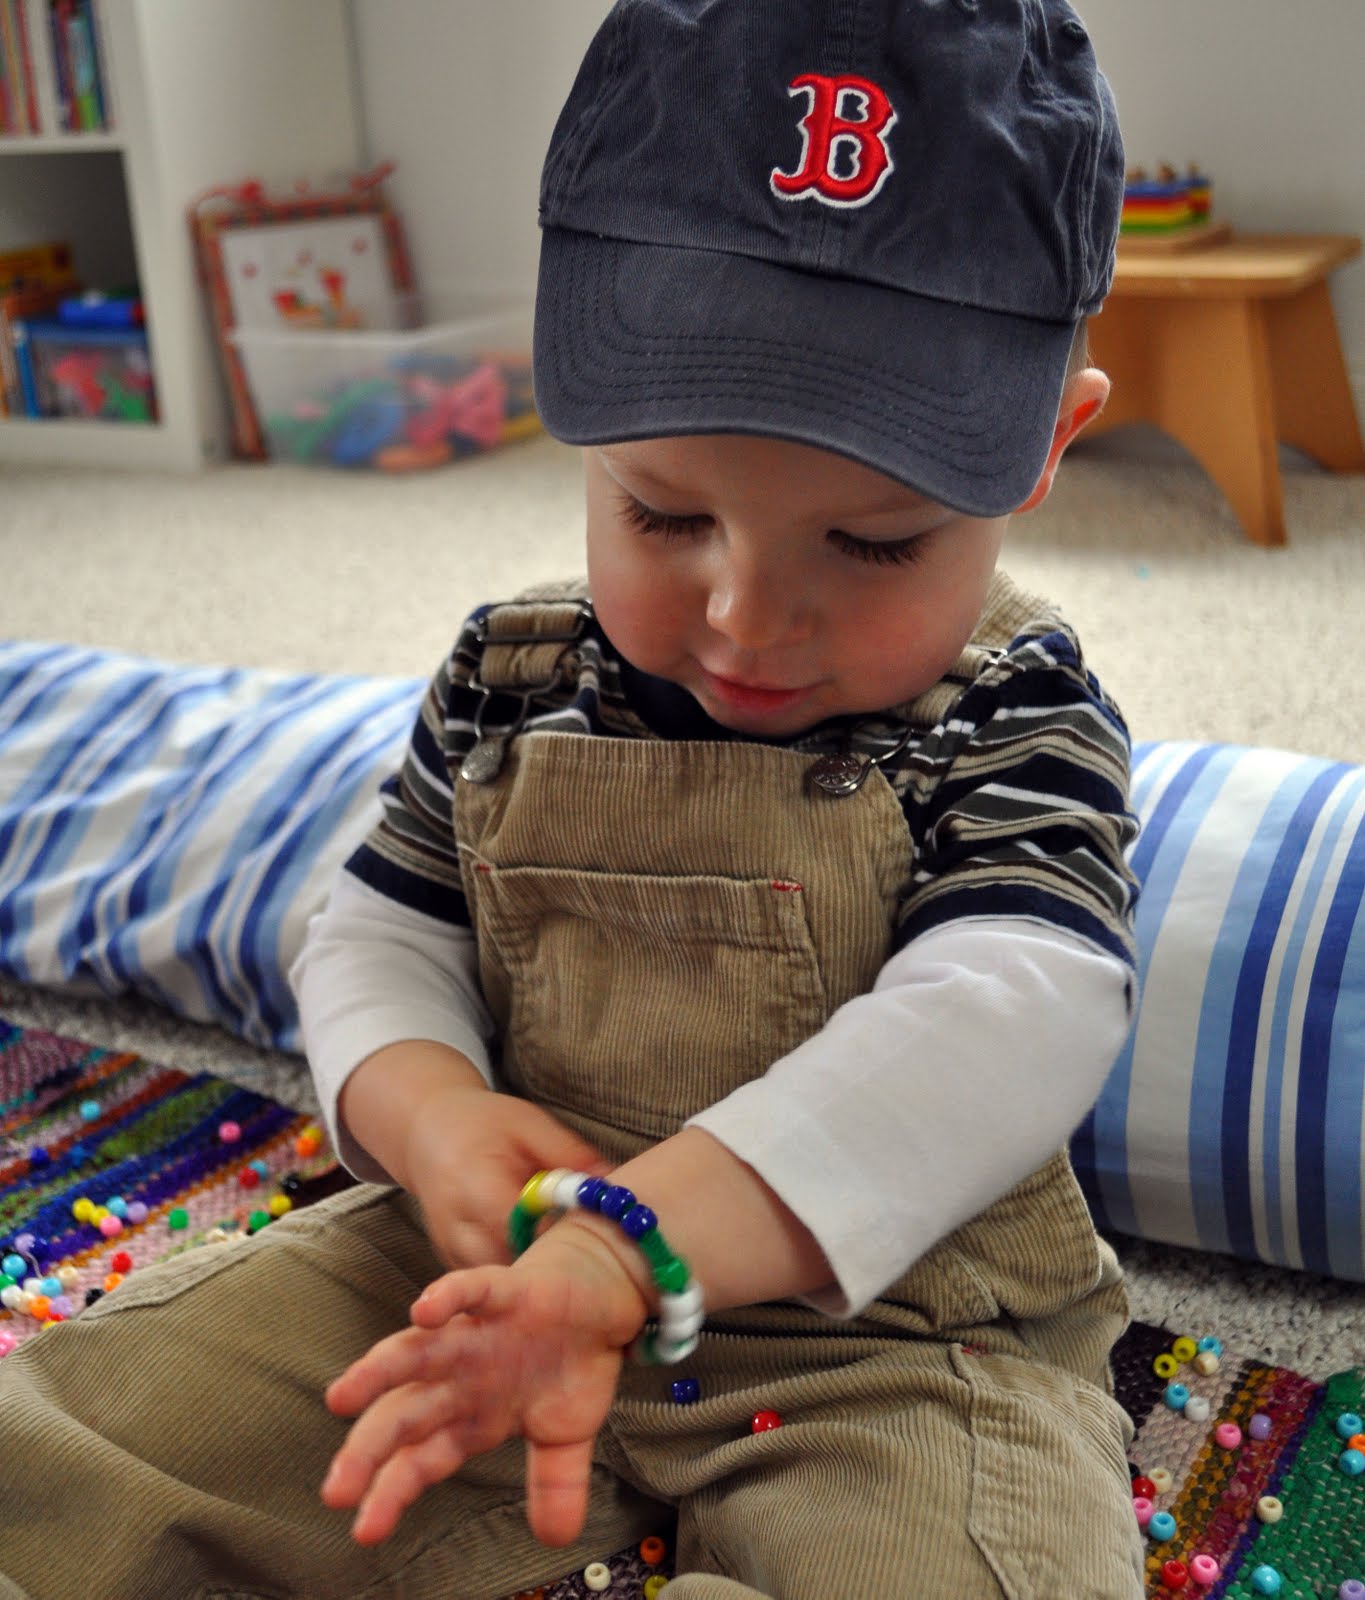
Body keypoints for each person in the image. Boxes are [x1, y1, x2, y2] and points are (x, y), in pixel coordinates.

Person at [0, 2, 1146, 1597]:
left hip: (886, 1339)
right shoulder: (514, 672)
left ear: (1045, 451)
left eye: (873, 544)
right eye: (661, 510)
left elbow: (1012, 1010)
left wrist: (640, 1244)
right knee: (72, 1442)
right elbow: (376, 932)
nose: (747, 616)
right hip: (488, 1277)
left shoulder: (1008, 706)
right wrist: (429, 1116)